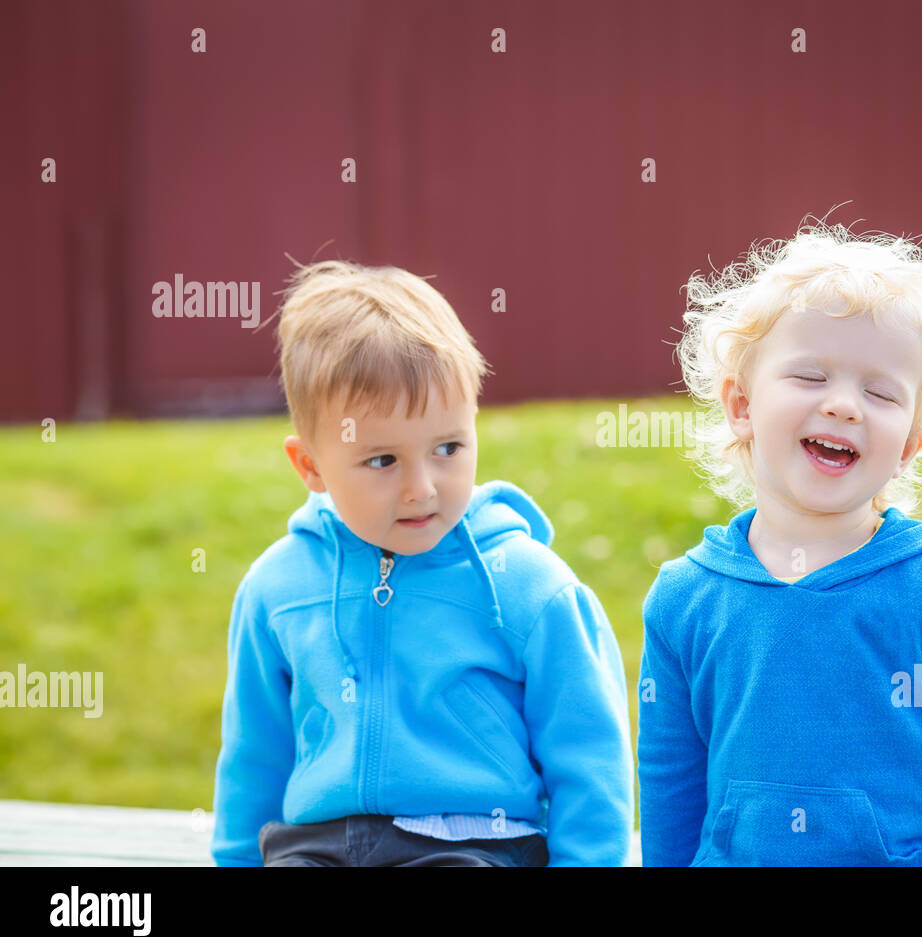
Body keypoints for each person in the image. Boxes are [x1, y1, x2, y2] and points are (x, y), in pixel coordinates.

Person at [637, 220, 922, 866]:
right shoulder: (684, 600)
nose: (845, 406)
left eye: (880, 392)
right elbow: (671, 781)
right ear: (741, 406)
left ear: (911, 445)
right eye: (809, 376)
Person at [211, 260, 633, 866]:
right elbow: (254, 755)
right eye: (383, 460)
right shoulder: (278, 587)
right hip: (318, 849)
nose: (422, 488)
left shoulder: (530, 588)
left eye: (448, 448)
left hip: (471, 843)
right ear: (309, 466)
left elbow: (588, 757)